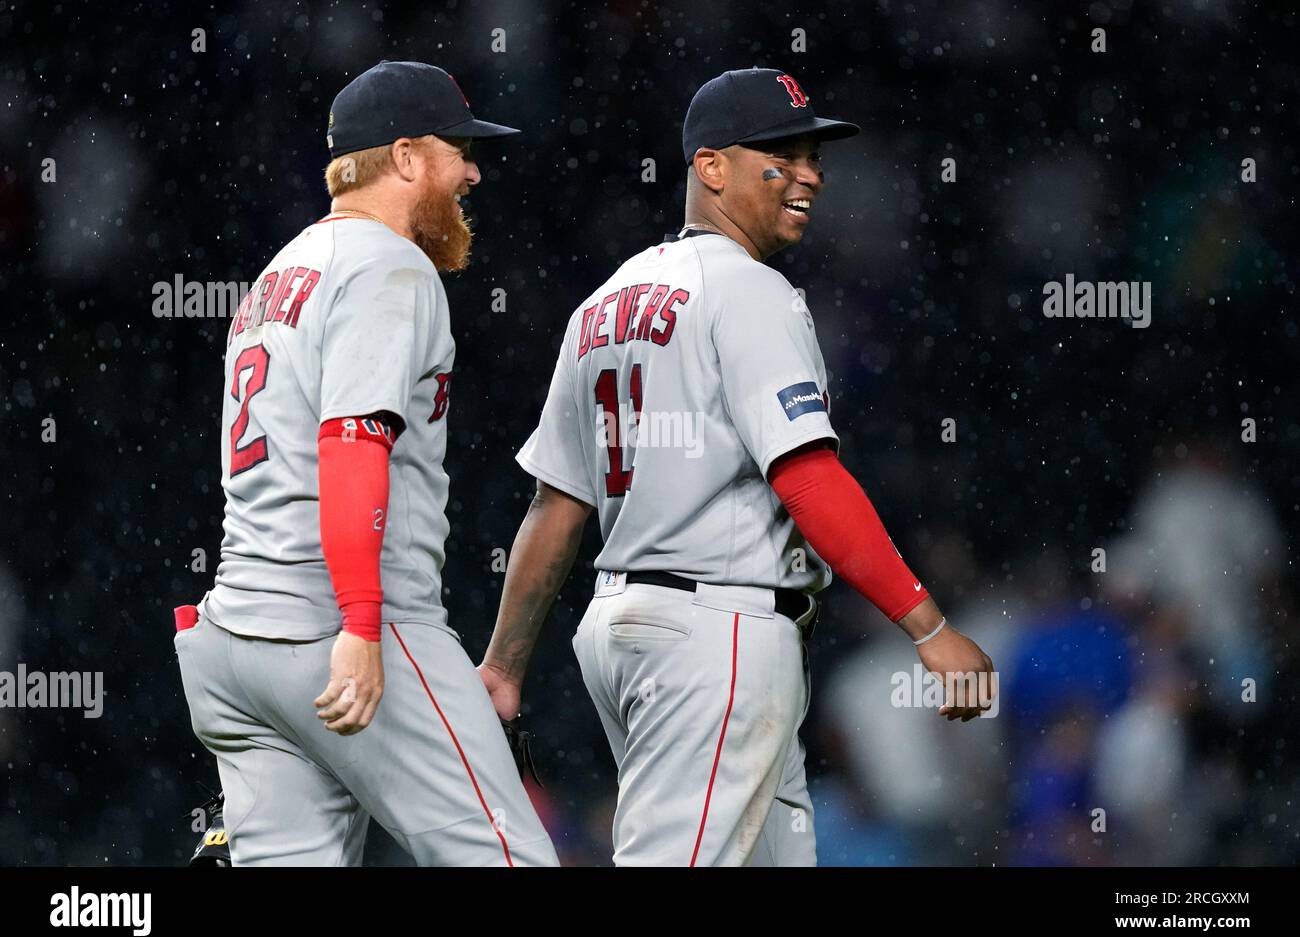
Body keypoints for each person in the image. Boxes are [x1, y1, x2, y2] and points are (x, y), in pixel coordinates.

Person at [478, 68, 995, 866]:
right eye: (783, 155)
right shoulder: (751, 291)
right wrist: (926, 626)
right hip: (712, 634)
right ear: (711, 167)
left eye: (813, 156)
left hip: (628, 630)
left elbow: (557, 506)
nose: (811, 173)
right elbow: (809, 477)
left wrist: (505, 666)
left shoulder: (603, 304)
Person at [174, 61, 557, 866]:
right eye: (460, 151)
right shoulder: (388, 264)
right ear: (408, 157)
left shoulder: (281, 272)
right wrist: (357, 621)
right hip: (340, 625)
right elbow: (352, 443)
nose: (473, 172)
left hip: (235, 642)